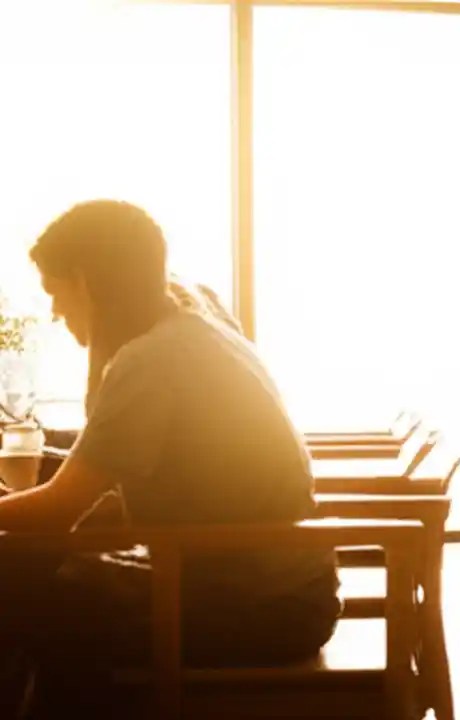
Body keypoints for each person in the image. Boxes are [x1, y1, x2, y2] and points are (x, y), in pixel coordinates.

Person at [0, 200, 338, 715]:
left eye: (55, 291)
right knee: (41, 580)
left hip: (254, 606)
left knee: (31, 590)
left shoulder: (150, 359)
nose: (55, 312)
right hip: (287, 589)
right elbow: (114, 482)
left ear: (87, 282)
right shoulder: (193, 328)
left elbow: (58, 510)